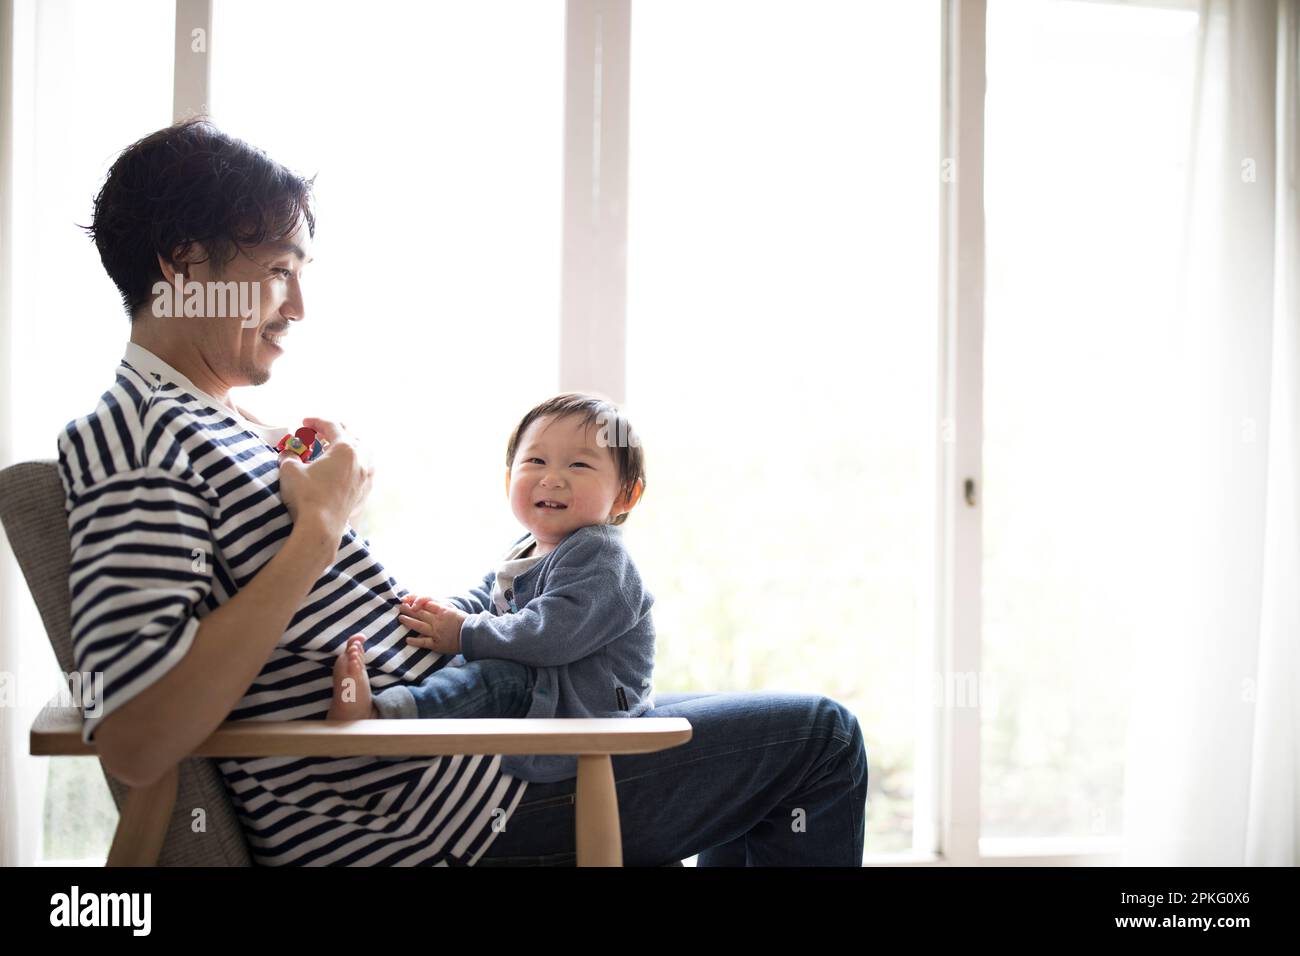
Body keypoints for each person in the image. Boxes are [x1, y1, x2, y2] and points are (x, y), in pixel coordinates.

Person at [59, 117, 868, 866]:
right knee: (822, 742)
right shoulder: (136, 437)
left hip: (470, 747)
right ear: (183, 265)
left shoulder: (213, 421)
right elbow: (136, 735)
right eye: (278, 273)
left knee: (758, 734)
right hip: (449, 804)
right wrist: (317, 534)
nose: (298, 307)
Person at [329, 392, 656, 784]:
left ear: (625, 495)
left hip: (587, 715)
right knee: (465, 665)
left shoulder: (602, 556)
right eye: (536, 461)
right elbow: (488, 598)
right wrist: (441, 612)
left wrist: (462, 630)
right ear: (509, 478)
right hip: (544, 696)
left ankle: (379, 722)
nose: (552, 478)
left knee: (496, 677)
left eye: (579, 464)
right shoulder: (528, 546)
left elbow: (550, 635)